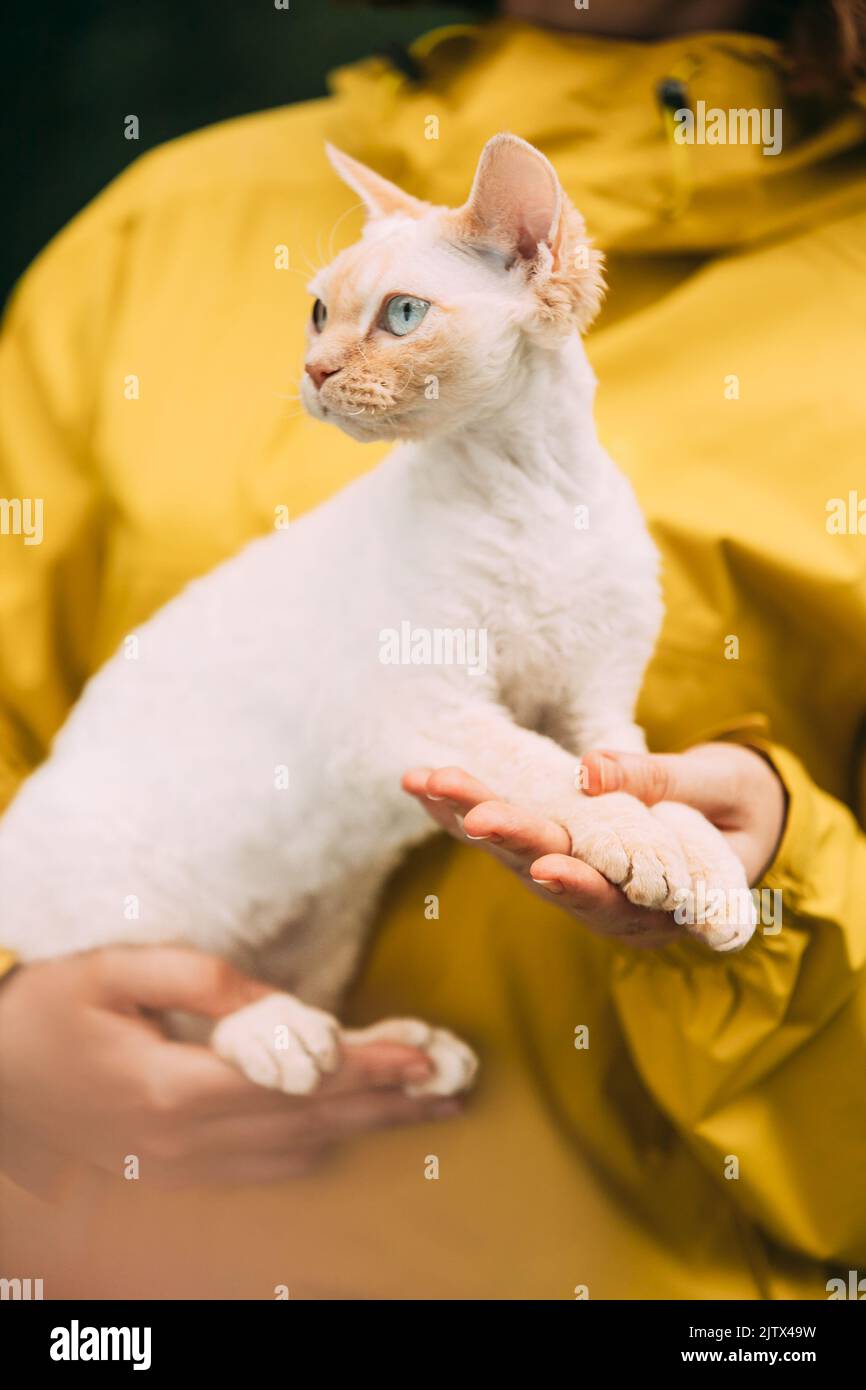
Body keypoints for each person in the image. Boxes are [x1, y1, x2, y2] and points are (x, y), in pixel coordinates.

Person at [0, 0, 864, 1298]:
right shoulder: (154, 231)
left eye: (388, 322)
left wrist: (778, 896)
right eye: (316, 321)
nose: (319, 368)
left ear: (536, 260)